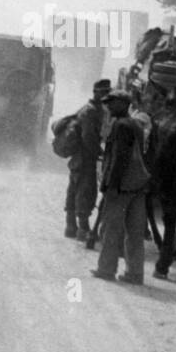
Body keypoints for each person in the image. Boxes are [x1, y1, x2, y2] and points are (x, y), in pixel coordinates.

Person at [92, 89, 150, 284]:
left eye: (112, 102)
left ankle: (106, 269)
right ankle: (135, 273)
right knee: (135, 233)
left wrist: (110, 186)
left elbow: (118, 159)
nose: (108, 106)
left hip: (122, 187)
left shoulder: (120, 126)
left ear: (124, 105)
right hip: (139, 186)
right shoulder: (137, 125)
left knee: (111, 229)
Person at [64, 78, 110, 239]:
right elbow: (88, 137)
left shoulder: (91, 109)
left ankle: (70, 226)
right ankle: (82, 228)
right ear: (96, 93)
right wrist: (101, 152)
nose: (106, 96)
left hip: (80, 157)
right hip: (85, 158)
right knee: (86, 191)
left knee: (75, 189)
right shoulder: (91, 111)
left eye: (108, 93)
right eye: (104, 92)